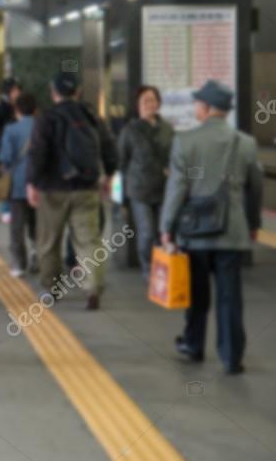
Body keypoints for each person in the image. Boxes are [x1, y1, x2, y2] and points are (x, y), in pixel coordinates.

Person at [161, 80, 261, 375]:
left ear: (204, 108)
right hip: (232, 232)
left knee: (196, 294)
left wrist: (167, 226)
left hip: (195, 233)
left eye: (197, 104)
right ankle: (231, 356)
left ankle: (193, 345)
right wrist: (253, 224)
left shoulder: (185, 141)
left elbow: (177, 188)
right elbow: (254, 190)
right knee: (230, 297)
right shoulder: (246, 143)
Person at [26, 71, 117, 310]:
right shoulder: (91, 116)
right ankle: (93, 289)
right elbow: (108, 147)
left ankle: (52, 289)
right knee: (89, 241)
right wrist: (109, 174)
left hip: (52, 189)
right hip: (86, 187)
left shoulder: (46, 118)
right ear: (77, 91)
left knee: (49, 241)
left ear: (53, 92)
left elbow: (37, 153)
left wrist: (32, 182)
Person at [117, 85, 175, 280]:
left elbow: (174, 155)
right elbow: (122, 161)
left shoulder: (167, 129)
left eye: (152, 100)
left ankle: (162, 268)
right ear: (138, 105)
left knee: (163, 233)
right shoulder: (130, 130)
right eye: (145, 101)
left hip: (164, 188)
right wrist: (126, 187)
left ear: (158, 103)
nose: (149, 104)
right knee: (147, 232)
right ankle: (147, 269)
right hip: (139, 190)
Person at [0, 92, 38, 276]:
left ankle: (19, 264)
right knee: (37, 224)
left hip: (17, 185)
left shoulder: (11, 130)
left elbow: (5, 158)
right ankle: (38, 256)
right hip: (39, 183)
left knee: (17, 228)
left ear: (16, 110)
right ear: (36, 110)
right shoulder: (43, 127)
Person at [0, 78, 22, 146]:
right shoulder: (2, 108)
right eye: (14, 90)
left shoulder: (18, 105)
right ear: (8, 91)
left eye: (19, 89)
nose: (18, 92)